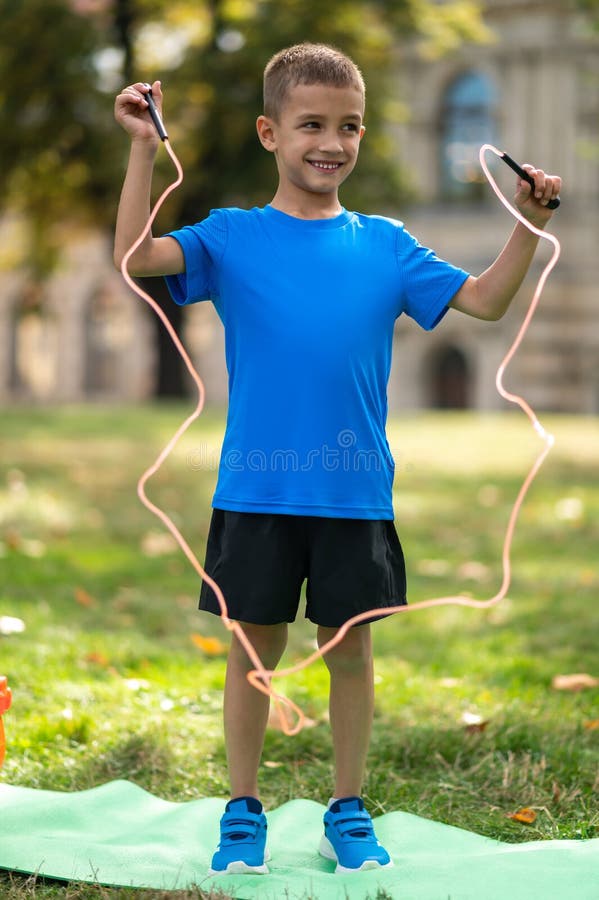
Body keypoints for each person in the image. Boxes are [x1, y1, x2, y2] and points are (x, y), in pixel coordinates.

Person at [113, 43, 561, 877]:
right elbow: (136, 257)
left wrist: (528, 225)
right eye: (311, 124)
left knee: (349, 650)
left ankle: (345, 809)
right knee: (255, 651)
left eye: (348, 125)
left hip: (355, 492)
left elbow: (488, 302)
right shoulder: (233, 236)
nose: (332, 141)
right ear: (268, 133)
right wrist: (143, 147)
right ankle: (241, 808)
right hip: (257, 485)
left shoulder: (385, 244)